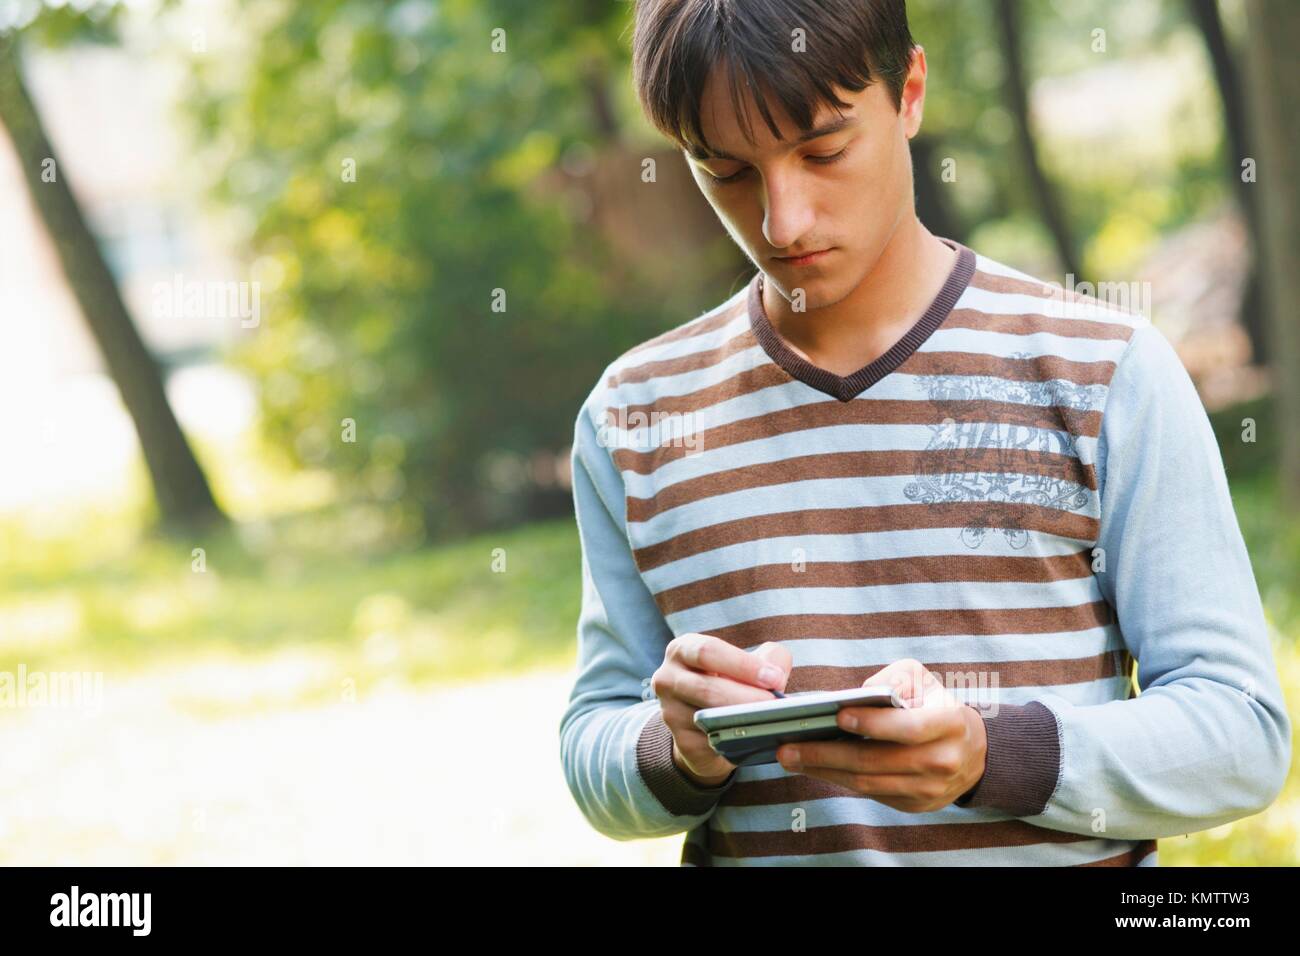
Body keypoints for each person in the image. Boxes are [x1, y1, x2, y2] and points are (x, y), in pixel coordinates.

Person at [559, 0, 1291, 865]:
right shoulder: (634, 416)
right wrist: (675, 748)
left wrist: (992, 756)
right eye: (725, 171)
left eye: (823, 150)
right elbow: (595, 740)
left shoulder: (1104, 370)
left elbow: (1241, 734)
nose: (781, 222)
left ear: (909, 90)